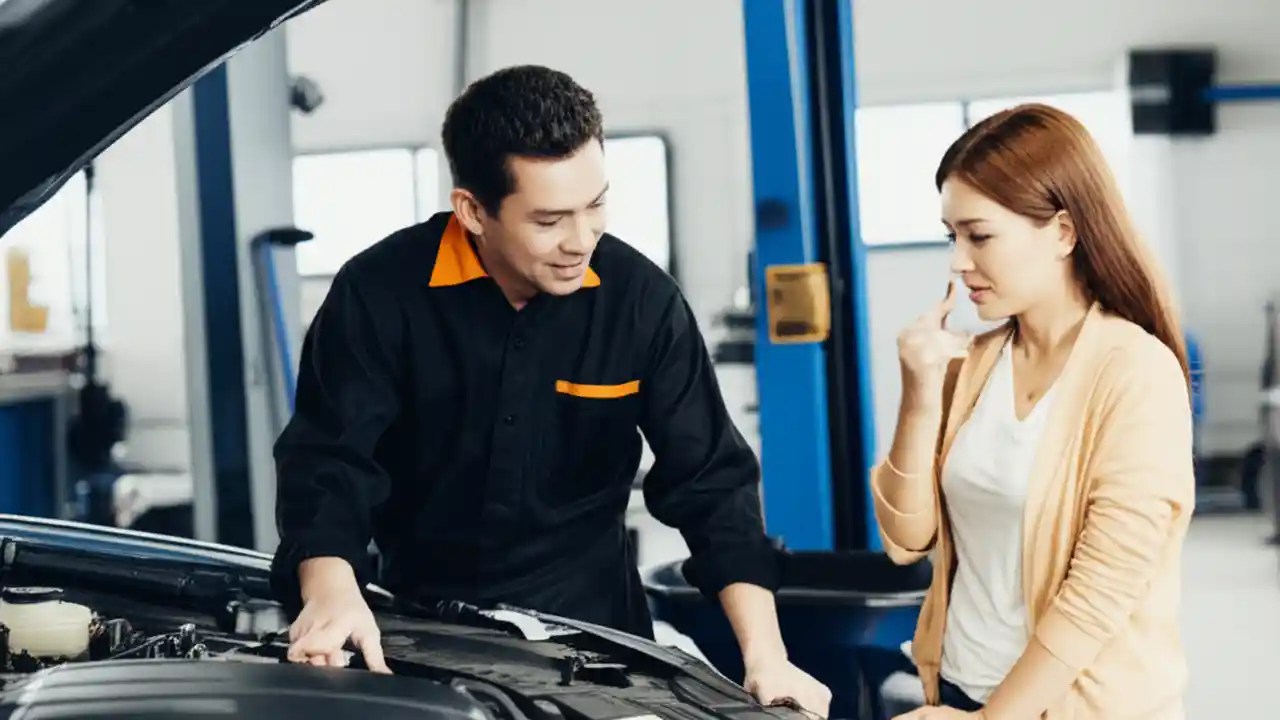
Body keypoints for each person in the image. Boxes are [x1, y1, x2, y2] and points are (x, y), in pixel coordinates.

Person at [269, 64, 831, 717]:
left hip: (598, 646)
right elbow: (329, 462)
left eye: (596, 205)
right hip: (421, 638)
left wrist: (766, 656)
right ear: (473, 211)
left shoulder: (640, 303)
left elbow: (712, 484)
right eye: (549, 220)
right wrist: (331, 588)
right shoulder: (378, 295)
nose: (581, 240)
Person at [878, 104, 1194, 719]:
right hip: (959, 692)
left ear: (1064, 233)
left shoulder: (1135, 372)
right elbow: (905, 542)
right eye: (951, 236)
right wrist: (918, 394)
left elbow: (1100, 592)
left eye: (979, 236)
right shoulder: (973, 365)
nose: (958, 261)